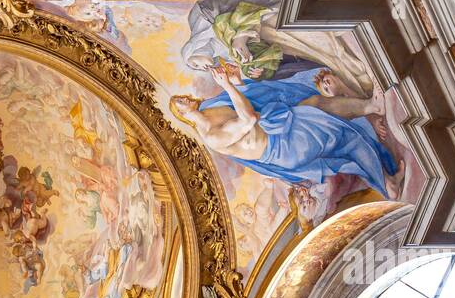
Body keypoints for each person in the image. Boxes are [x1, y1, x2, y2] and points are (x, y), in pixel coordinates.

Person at [170, 63, 402, 199]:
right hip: (282, 147)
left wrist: (236, 81)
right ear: (183, 115)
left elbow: (250, 99)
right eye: (178, 103)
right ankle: (372, 110)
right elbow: (248, 118)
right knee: (344, 135)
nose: (181, 98)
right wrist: (227, 85)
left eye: (179, 98)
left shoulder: (210, 107)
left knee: (316, 104)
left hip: (278, 128)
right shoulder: (211, 135)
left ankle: (388, 182)